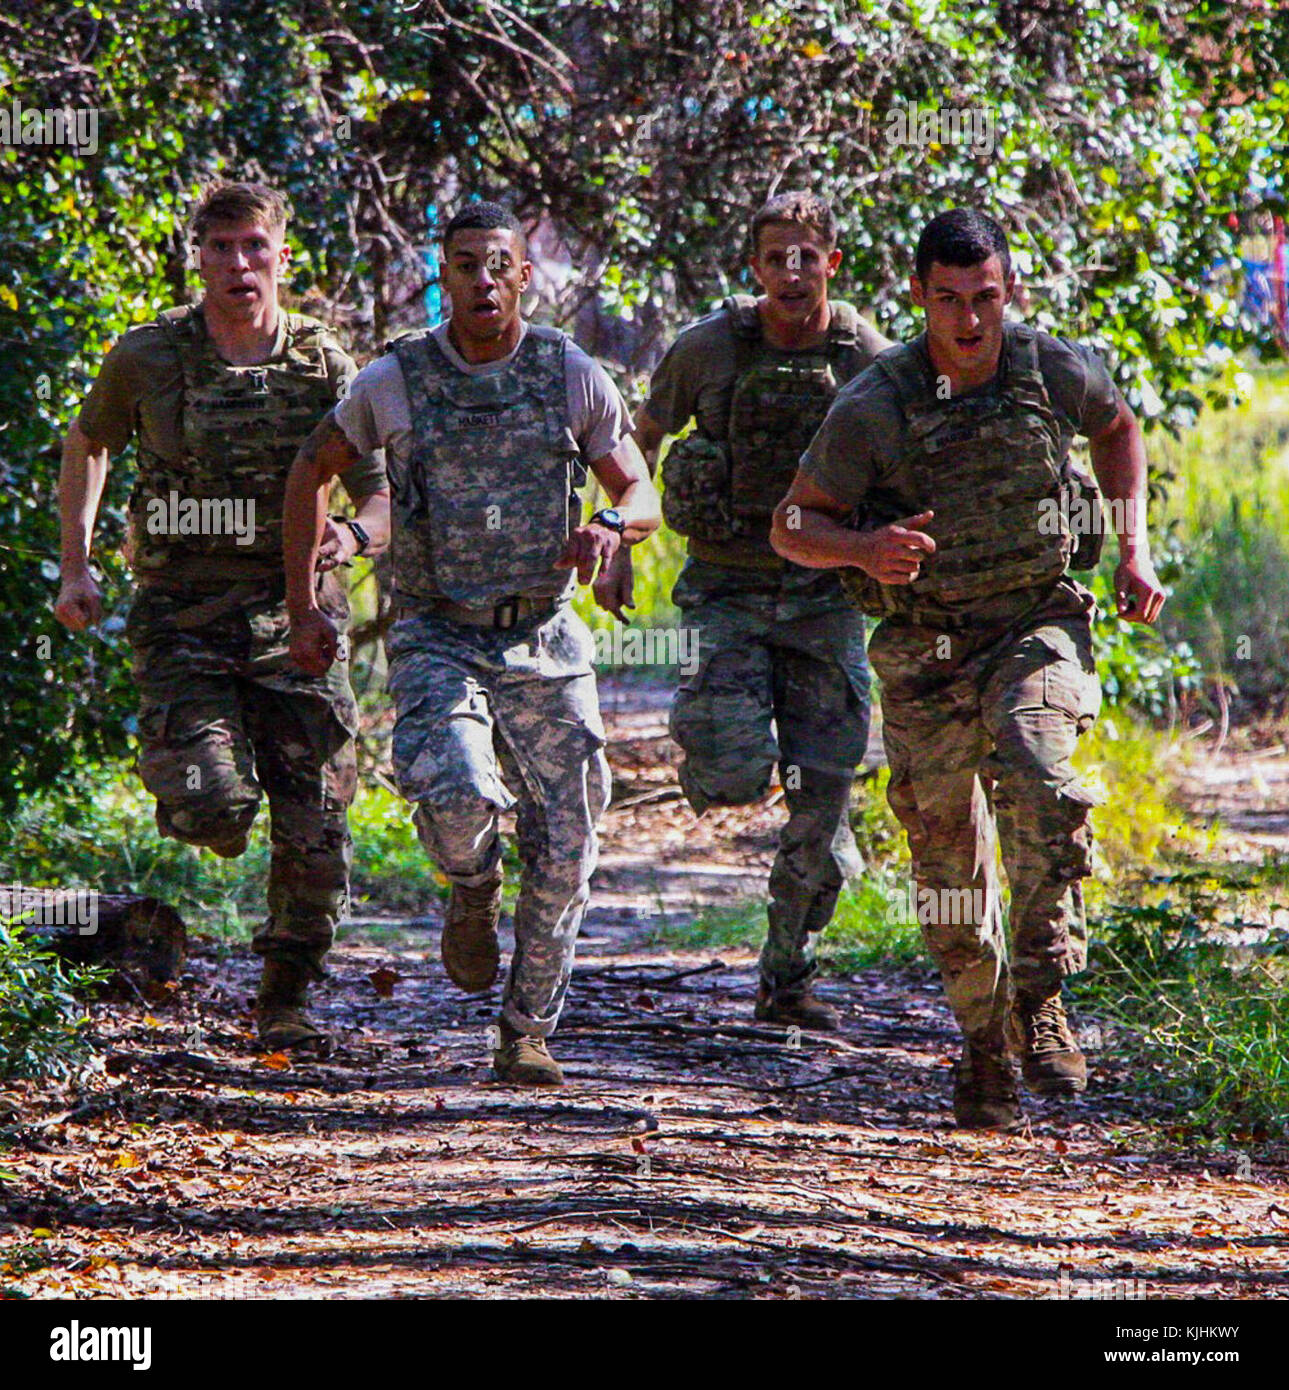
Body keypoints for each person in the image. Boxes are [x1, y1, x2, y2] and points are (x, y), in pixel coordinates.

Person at [772, 208, 1166, 1129]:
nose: (968, 321)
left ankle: (1042, 994)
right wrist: (864, 549)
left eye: (984, 297)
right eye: (947, 300)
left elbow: (1117, 433)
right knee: (947, 859)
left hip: (1037, 622)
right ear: (919, 297)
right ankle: (982, 1043)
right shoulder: (875, 402)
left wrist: (1129, 547)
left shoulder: (1046, 366)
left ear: (1008, 291)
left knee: (1041, 775)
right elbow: (791, 525)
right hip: (925, 650)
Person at [283, 200, 660, 1087]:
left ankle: (526, 1032)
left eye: (499, 264)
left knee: (568, 842)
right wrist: (305, 602)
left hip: (542, 631)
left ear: (524, 275)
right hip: (437, 629)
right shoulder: (396, 379)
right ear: (442, 277)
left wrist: (611, 524)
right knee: (455, 791)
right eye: (464, 266)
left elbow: (638, 487)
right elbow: (312, 467)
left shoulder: (568, 372)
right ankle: (472, 883)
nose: (483, 281)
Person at [54, 181, 389, 1051]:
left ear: (281, 254)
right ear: (195, 256)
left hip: (296, 620)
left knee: (316, 825)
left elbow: (380, 493)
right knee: (212, 805)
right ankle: (199, 786)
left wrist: (351, 537)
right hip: (183, 615)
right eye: (220, 248)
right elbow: (89, 444)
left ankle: (285, 996)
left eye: (254, 247)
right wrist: (78, 563)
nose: (239, 265)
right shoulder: (148, 356)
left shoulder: (324, 364)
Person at [609, 192, 891, 1029]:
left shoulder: (865, 357)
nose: (793, 273)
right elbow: (639, 437)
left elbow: (913, 458)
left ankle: (787, 975)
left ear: (832, 263)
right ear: (754, 268)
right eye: (777, 258)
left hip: (825, 600)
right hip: (725, 592)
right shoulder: (707, 349)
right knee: (732, 769)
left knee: (822, 800)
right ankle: (713, 756)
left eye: (808, 256)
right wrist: (620, 543)